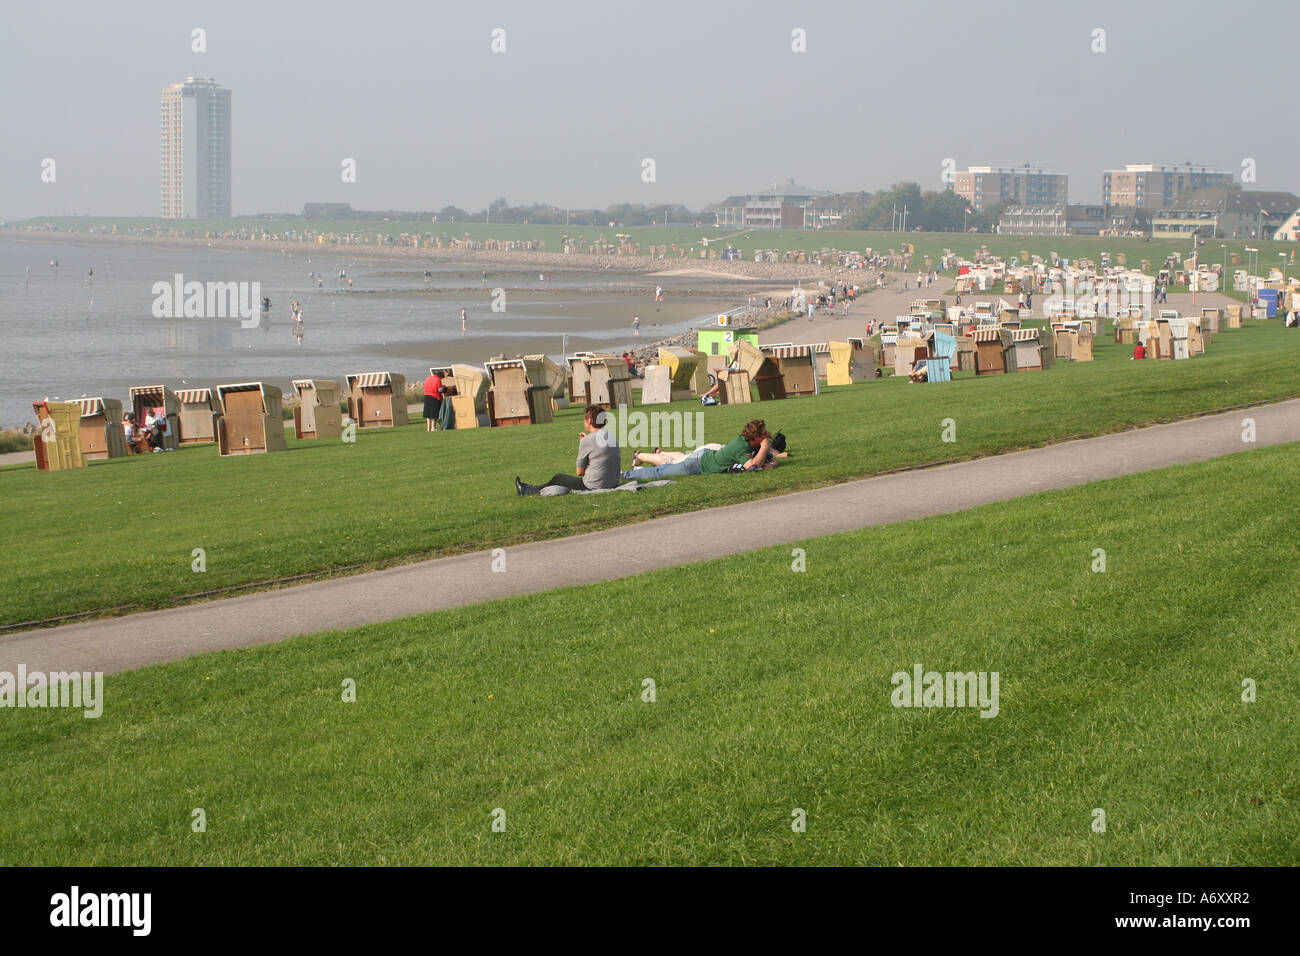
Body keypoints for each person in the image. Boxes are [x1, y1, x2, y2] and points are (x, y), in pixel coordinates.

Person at [516, 405, 622, 495]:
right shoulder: (612, 437)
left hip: (593, 485)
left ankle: (529, 490)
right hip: (613, 483)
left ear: (589, 420)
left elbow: (579, 472)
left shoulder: (587, 441)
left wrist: (584, 443)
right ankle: (530, 489)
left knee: (558, 478)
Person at [621, 419, 773, 481]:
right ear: (755, 437)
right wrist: (765, 447)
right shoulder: (742, 447)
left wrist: (769, 462)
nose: (767, 436)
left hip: (704, 457)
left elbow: (768, 463)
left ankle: (640, 464)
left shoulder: (746, 443)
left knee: (666, 467)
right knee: (660, 473)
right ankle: (626, 475)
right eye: (764, 434)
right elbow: (753, 467)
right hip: (698, 464)